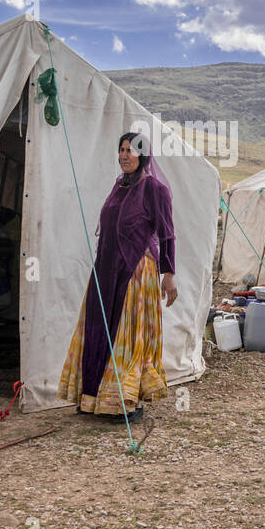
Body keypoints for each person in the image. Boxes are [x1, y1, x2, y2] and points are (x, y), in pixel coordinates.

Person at [58, 132, 178, 420]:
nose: (124, 155)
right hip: (105, 270)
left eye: (131, 151)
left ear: (143, 156)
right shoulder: (118, 187)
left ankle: (125, 399)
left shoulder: (154, 189)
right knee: (98, 329)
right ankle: (93, 396)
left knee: (127, 336)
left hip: (136, 271)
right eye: (121, 150)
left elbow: (167, 233)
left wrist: (169, 273)